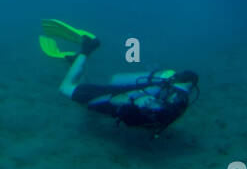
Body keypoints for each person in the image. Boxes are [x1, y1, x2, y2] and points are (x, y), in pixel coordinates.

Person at [40, 19, 198, 134]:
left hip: (118, 93)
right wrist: (135, 102)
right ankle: (88, 47)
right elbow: (142, 107)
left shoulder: (172, 90)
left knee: (85, 97)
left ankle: (76, 61)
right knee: (65, 88)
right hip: (115, 99)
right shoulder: (179, 100)